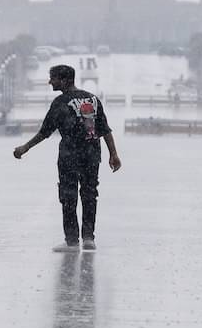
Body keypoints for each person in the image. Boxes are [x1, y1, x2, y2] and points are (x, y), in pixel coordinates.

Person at [13, 65, 122, 252]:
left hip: (69, 155)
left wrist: (25, 147)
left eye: (53, 78)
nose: (50, 82)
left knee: (68, 195)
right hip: (92, 154)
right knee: (90, 194)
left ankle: (72, 241)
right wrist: (113, 153)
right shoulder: (92, 99)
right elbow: (104, 129)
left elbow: (45, 132)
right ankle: (88, 238)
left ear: (64, 80)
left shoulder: (60, 102)